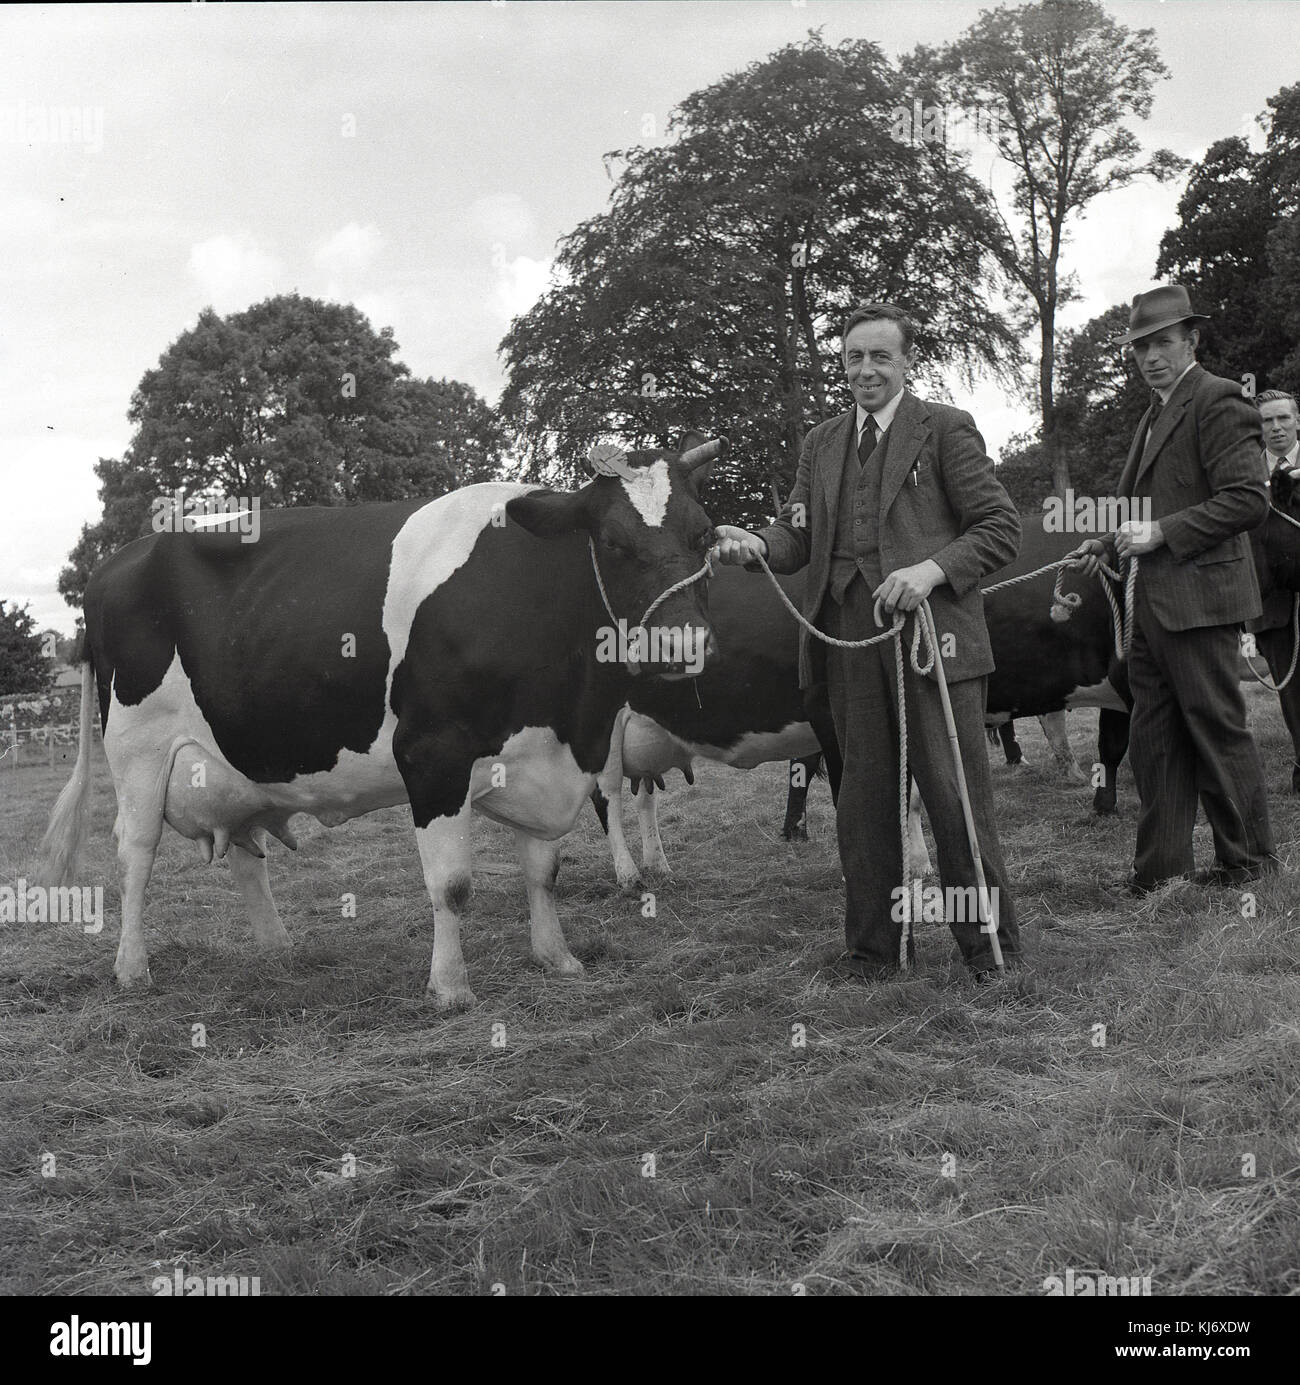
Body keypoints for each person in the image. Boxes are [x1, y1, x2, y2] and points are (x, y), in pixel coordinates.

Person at [712, 303, 1022, 980]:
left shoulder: (945, 430)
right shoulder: (821, 442)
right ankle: (873, 951)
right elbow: (796, 533)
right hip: (847, 644)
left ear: (908, 362)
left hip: (931, 644)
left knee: (954, 801)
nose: (865, 370)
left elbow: (1001, 527)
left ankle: (992, 954)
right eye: (854, 357)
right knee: (864, 804)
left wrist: (931, 569)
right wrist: (756, 543)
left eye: (881, 356)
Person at [1070, 285, 1278, 890]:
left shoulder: (1218, 401)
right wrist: (1105, 542)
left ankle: (1251, 863)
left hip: (1200, 603)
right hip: (1153, 608)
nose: (1150, 356)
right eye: (1141, 347)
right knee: (1153, 742)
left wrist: (1161, 532)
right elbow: (1140, 505)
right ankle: (1160, 874)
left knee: (1215, 729)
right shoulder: (1154, 412)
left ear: (1191, 340)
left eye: (1163, 342)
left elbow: (1248, 501)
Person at [1245, 389, 1300, 792]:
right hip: (1272, 605)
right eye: (1267, 421)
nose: (1276, 427)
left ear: (1297, 421)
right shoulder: (1245, 478)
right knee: (1291, 689)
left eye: (1283, 418)